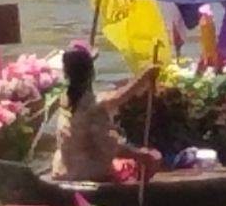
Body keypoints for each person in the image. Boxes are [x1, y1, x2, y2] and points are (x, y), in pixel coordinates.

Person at [51, 45, 162, 183]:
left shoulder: (64, 99)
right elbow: (109, 146)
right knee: (151, 158)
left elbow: (119, 96)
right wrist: (142, 155)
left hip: (64, 169)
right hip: (88, 173)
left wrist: (145, 76)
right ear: (91, 72)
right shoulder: (94, 105)